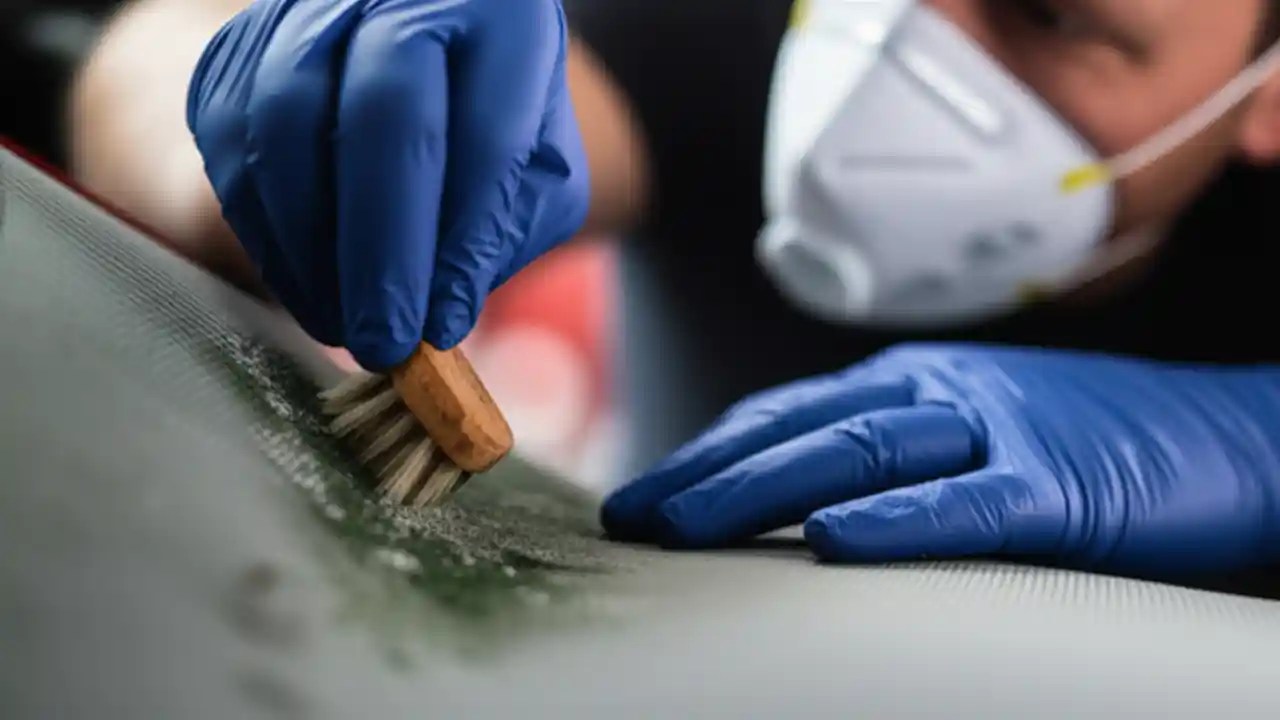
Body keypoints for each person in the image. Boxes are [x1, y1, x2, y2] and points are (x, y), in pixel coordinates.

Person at [70, 0, 1280, 584]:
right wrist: (265, 90)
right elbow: (148, 49)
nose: (890, 52)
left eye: (1043, 14)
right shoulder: (728, 34)